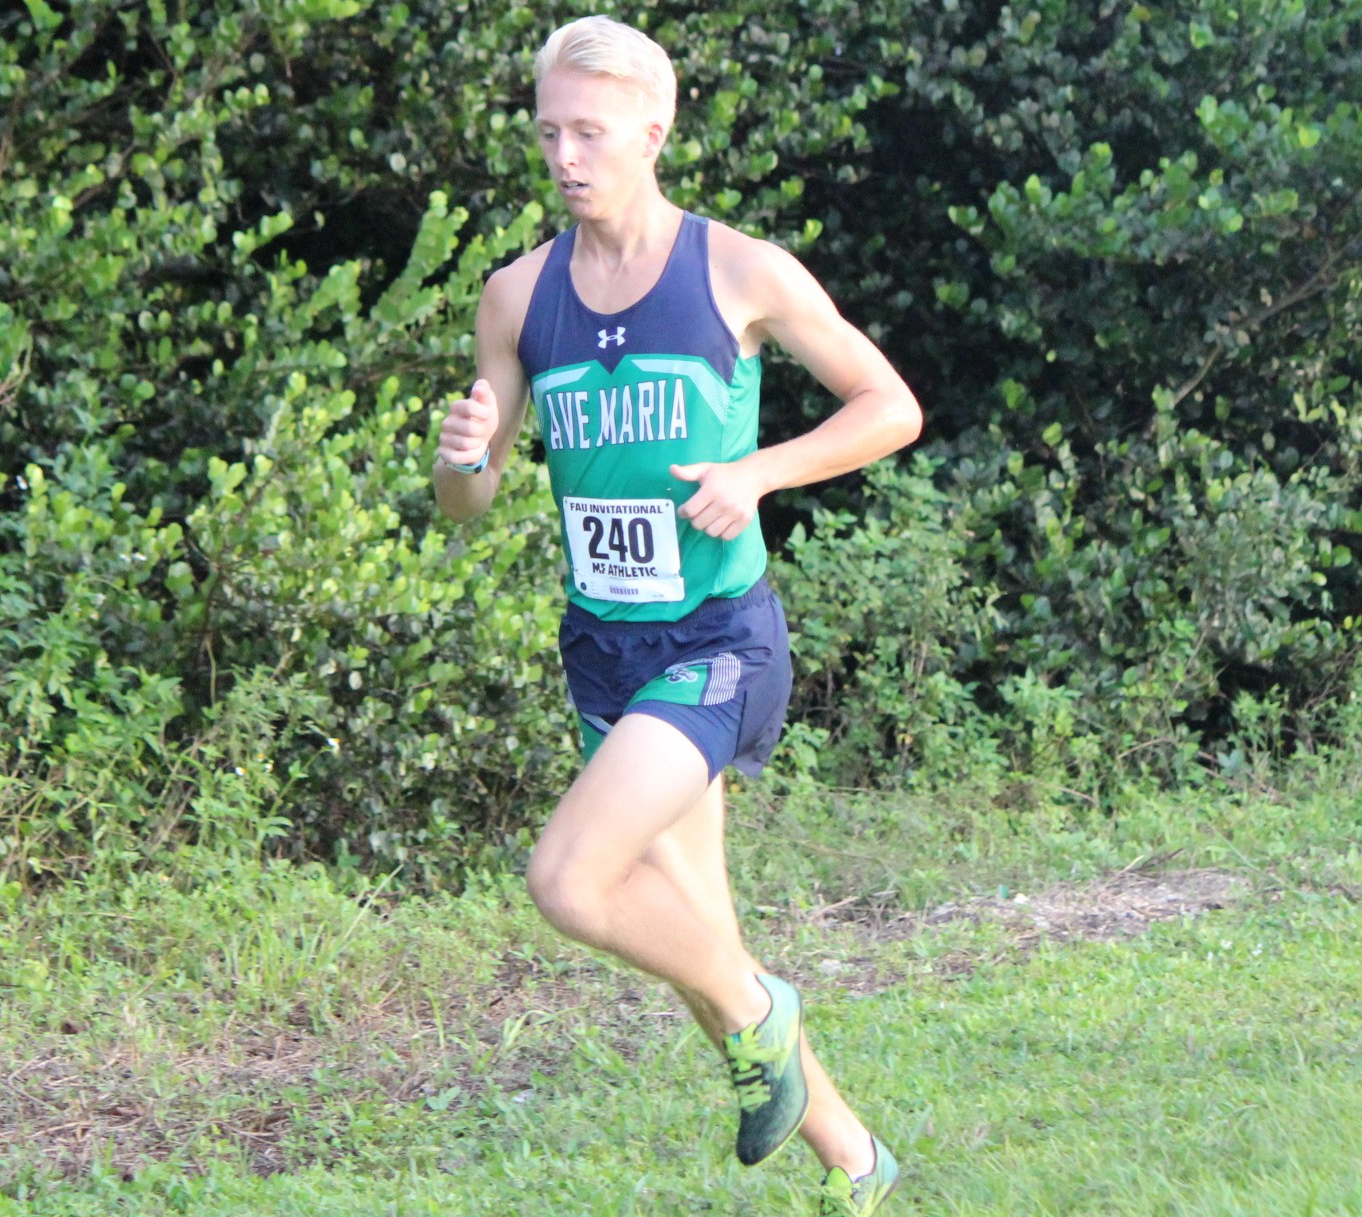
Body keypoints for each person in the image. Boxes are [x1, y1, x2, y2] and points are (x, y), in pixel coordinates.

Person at [431, 15, 922, 1215]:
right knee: (700, 946)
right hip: (604, 650)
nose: (566, 155)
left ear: (655, 131)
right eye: (549, 131)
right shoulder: (517, 296)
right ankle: (859, 1162)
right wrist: (462, 458)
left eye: (591, 132)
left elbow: (889, 405)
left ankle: (767, 1006)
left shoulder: (738, 271)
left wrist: (758, 473)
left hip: (719, 641)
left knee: (570, 878)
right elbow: (468, 506)